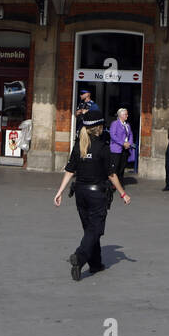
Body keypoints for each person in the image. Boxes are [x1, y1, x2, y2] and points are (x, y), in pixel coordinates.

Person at [54, 112, 130, 281]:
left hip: (80, 193)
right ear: (99, 128)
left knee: (90, 230)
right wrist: (123, 193)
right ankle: (79, 257)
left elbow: (69, 170)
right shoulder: (102, 147)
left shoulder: (78, 145)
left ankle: (95, 263)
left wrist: (59, 192)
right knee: (95, 230)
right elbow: (111, 174)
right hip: (97, 195)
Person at [74, 88, 106, 156]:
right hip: (80, 128)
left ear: (88, 94)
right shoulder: (81, 104)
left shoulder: (93, 105)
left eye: (82, 94)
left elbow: (97, 116)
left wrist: (87, 112)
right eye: (80, 94)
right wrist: (78, 112)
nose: (80, 95)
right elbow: (76, 115)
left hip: (89, 129)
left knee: (88, 144)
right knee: (78, 144)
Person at [109, 107, 135, 189]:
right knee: (115, 167)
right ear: (120, 115)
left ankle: (120, 183)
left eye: (127, 114)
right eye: (125, 114)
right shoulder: (115, 123)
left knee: (122, 166)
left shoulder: (127, 125)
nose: (127, 116)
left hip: (125, 149)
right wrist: (123, 143)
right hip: (116, 149)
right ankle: (113, 184)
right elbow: (113, 135)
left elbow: (130, 135)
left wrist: (129, 144)